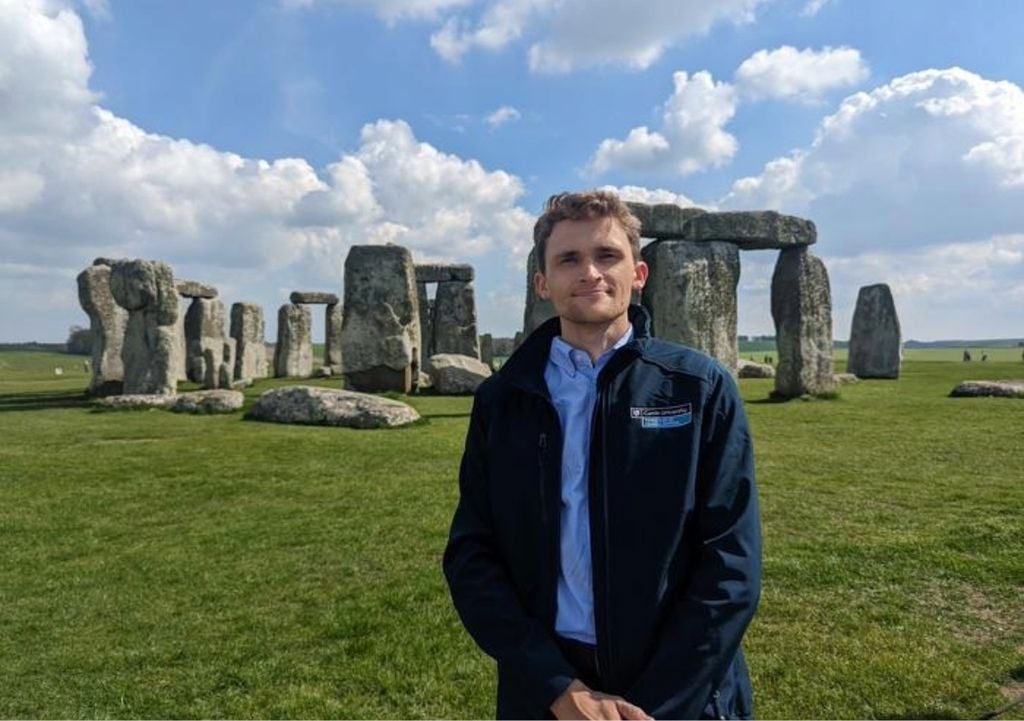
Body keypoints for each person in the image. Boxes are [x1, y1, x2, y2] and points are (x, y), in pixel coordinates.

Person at [443, 191, 762, 719]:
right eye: (568, 259)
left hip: (683, 684)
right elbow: (472, 556)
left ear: (639, 274)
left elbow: (731, 562)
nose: (589, 272)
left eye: (606, 256)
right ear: (542, 284)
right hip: (550, 684)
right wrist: (556, 686)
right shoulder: (503, 400)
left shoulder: (698, 387)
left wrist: (658, 705)